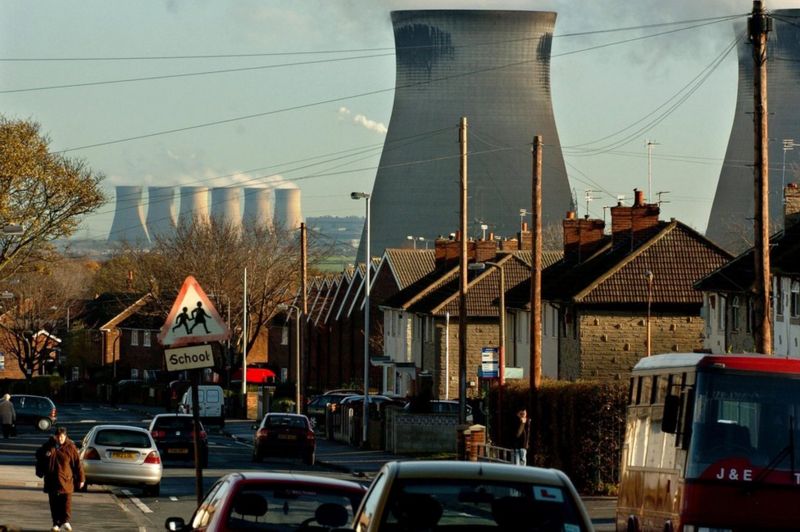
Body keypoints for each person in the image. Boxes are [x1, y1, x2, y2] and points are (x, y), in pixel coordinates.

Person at [36, 426, 84, 532]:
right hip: (51, 479)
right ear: (55, 436)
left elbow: (77, 464)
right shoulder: (48, 445)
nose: (60, 438)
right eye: (58, 436)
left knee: (66, 501)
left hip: (66, 479)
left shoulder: (70, 447)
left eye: (62, 436)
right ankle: (56, 524)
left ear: (65, 436)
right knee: (54, 503)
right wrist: (46, 455)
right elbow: (39, 456)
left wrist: (81, 479)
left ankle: (66, 521)